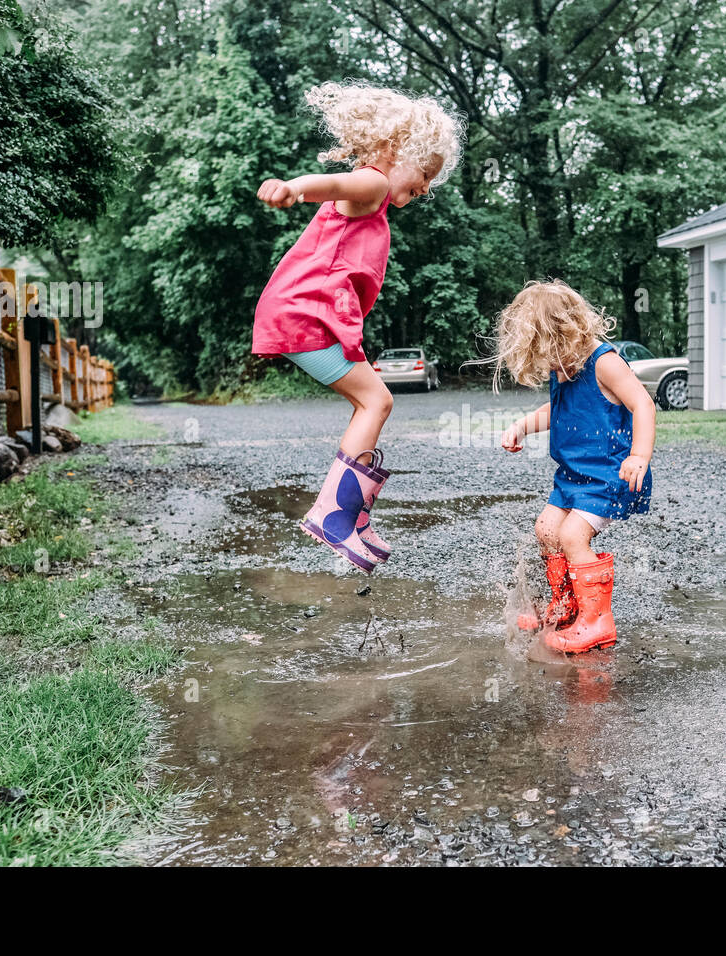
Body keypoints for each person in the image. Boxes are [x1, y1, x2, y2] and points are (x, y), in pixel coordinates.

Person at [252, 82, 464, 572]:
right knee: (377, 399)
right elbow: (335, 184)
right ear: (393, 153)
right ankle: (335, 514)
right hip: (303, 317)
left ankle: (355, 515)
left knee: (367, 402)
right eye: (424, 172)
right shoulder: (372, 185)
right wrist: (295, 188)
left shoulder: (378, 199)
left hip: (309, 316)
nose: (427, 186)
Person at [495, 280, 655, 653]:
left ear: (563, 334)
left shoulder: (605, 363)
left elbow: (643, 404)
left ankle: (597, 621)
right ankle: (567, 607)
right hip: (572, 475)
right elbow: (558, 410)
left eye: (544, 352)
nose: (546, 364)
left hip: (609, 474)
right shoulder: (563, 368)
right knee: (547, 529)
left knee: (572, 536)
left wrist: (639, 456)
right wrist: (522, 426)